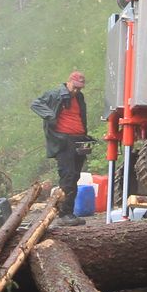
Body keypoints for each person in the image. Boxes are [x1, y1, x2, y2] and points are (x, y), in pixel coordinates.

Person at [29, 70, 91, 226]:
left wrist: (85, 134)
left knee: (75, 176)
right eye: (75, 87)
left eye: (80, 88)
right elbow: (36, 103)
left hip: (78, 140)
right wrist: (50, 116)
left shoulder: (79, 97)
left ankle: (69, 212)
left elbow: (80, 117)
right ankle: (64, 214)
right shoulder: (56, 94)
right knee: (68, 176)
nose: (77, 90)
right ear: (69, 82)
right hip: (64, 140)